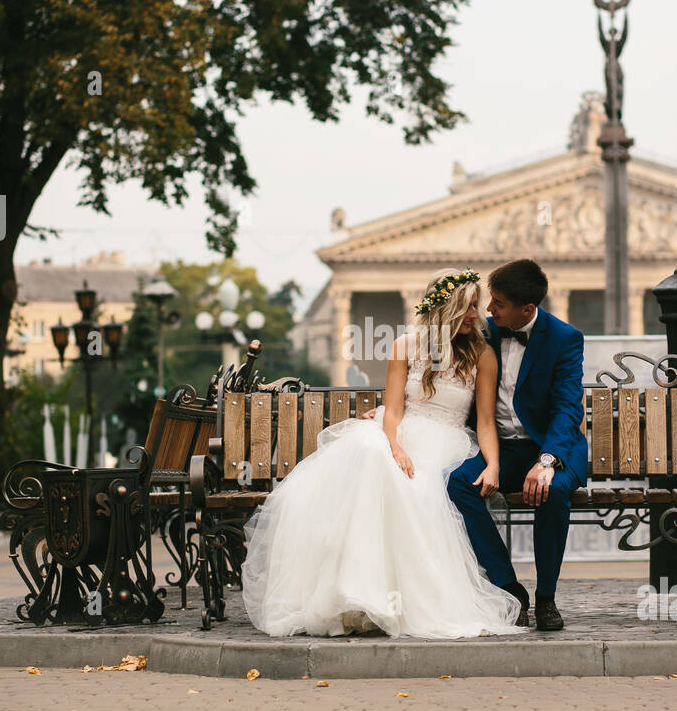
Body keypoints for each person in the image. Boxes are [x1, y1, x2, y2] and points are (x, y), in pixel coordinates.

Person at [239, 268, 524, 639]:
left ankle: (401, 602)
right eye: (468, 307)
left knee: (419, 490)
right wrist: (395, 445)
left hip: (447, 440)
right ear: (445, 309)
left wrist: (494, 465)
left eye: (476, 307)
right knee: (373, 458)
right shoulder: (405, 346)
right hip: (402, 431)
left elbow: (485, 421)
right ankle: (357, 597)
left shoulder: (481, 355)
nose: (476, 315)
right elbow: (392, 409)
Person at [447, 260, 587, 631]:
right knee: (460, 482)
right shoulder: (483, 333)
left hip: (552, 446)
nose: (489, 310)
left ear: (527, 309)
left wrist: (547, 460)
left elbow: (568, 408)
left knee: (552, 490)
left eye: (498, 304)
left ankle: (546, 598)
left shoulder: (565, 338)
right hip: (503, 449)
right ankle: (509, 588)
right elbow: (435, 374)